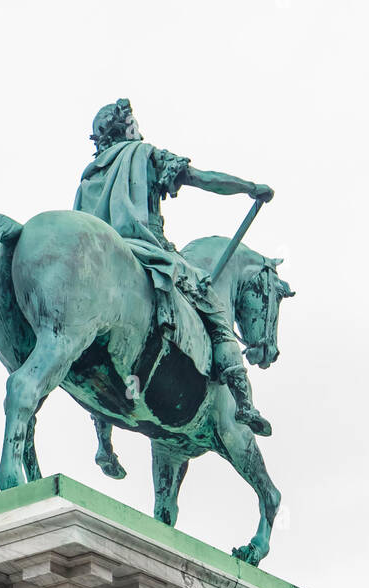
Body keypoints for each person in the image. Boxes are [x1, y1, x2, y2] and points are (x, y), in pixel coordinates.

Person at [75, 98, 274, 436]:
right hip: (146, 246)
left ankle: (102, 437)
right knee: (213, 308)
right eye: (132, 123)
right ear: (127, 128)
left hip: (97, 257)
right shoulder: (145, 154)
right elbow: (203, 178)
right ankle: (243, 404)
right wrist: (248, 187)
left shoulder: (89, 177)